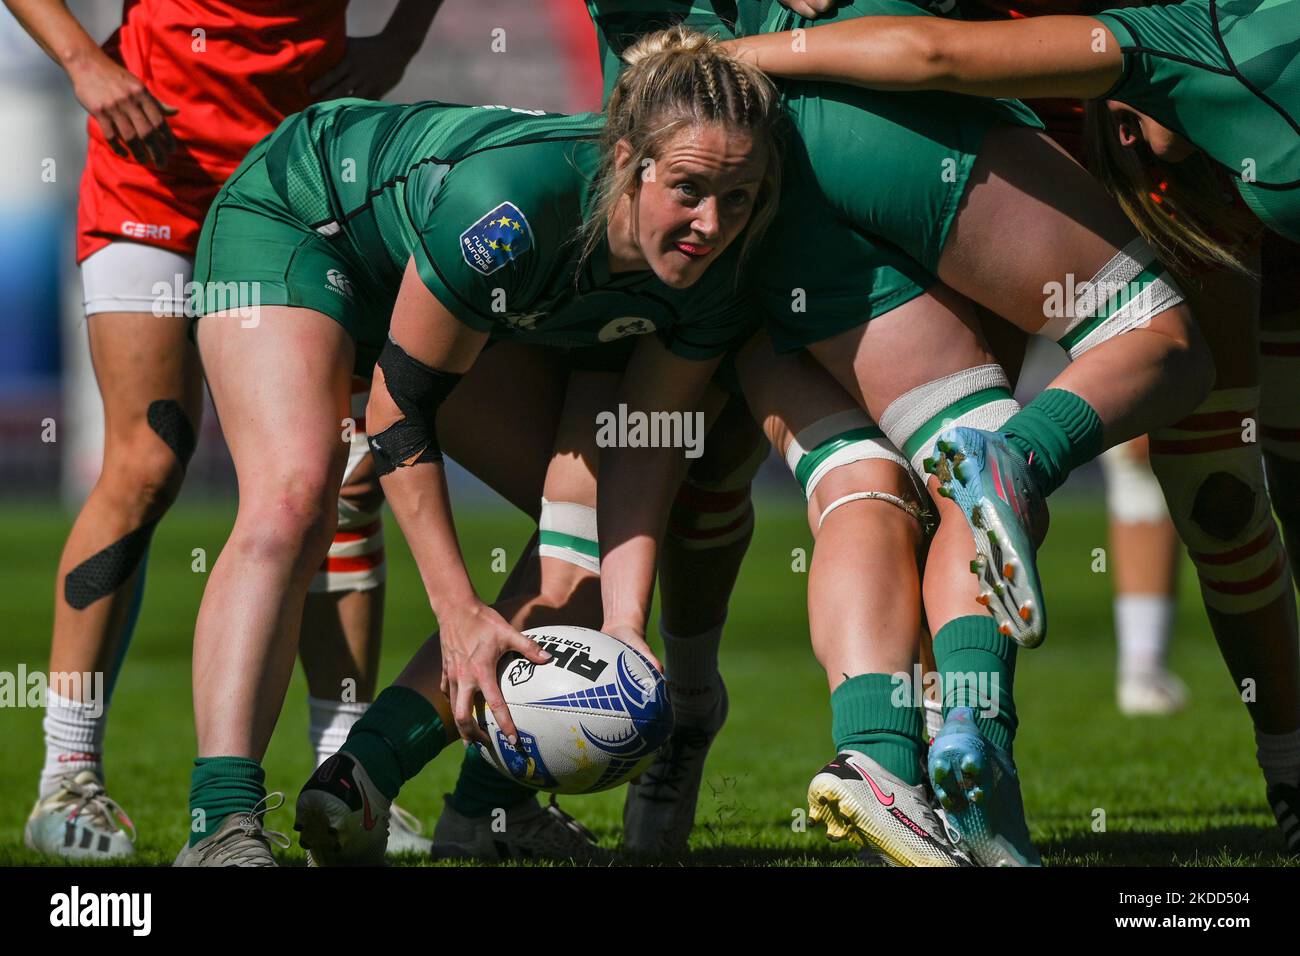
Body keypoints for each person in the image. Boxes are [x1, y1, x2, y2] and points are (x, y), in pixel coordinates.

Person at [175, 26, 783, 866]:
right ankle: (222, 827)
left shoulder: (720, 266)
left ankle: (456, 801)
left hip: (434, 285)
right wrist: (459, 613)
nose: (710, 224)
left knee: (582, 544)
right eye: (687, 190)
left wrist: (622, 624)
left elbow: (644, 444)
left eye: (739, 198)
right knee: (295, 495)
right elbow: (399, 411)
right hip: (300, 222)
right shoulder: (509, 211)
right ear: (627, 162)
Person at [726, 0, 1300, 854]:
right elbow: (935, 52)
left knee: (934, 458)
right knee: (972, 458)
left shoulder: (1195, 45)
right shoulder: (1178, 45)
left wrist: (719, 57)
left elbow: (936, 51)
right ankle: (957, 747)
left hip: (1099, 145)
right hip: (988, 133)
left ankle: (898, 757)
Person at [5, 0, 443, 860]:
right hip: (154, 171)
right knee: (147, 463)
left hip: (298, 181)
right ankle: (68, 774)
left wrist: (399, 40)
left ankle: (342, 778)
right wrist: (82, 63)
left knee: (341, 475)